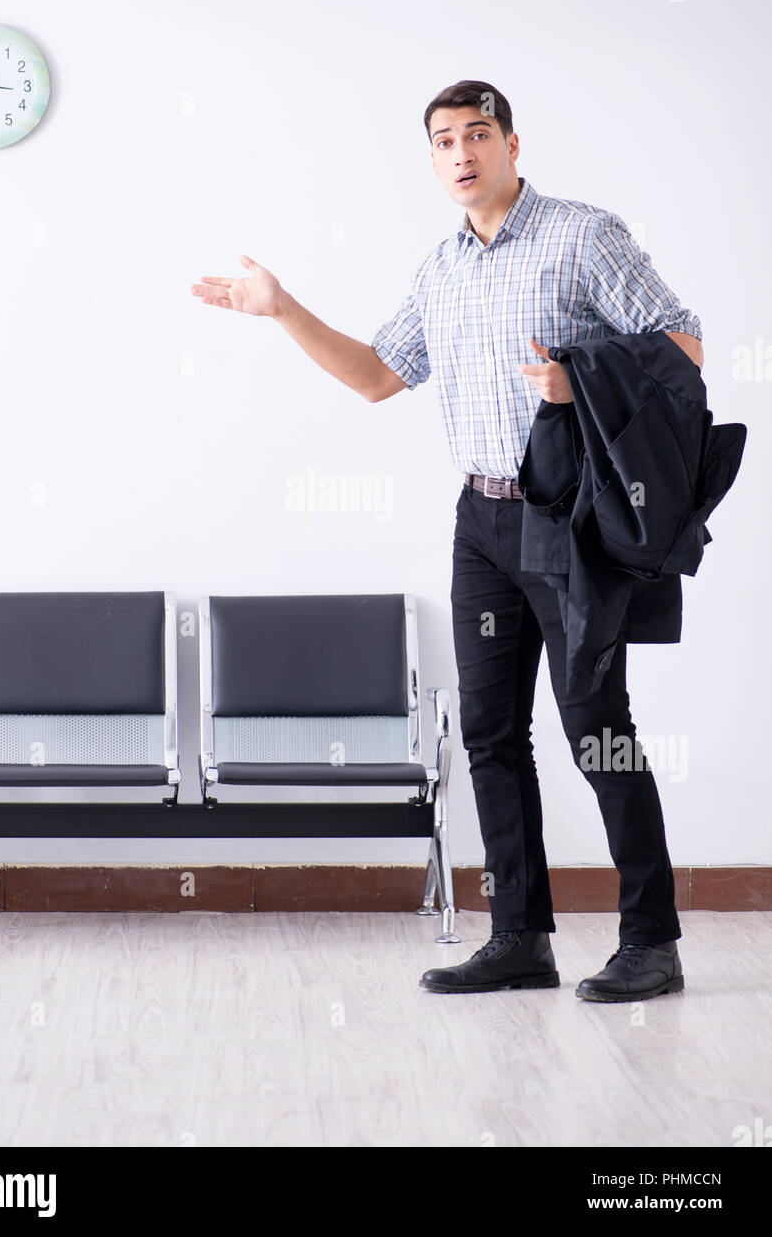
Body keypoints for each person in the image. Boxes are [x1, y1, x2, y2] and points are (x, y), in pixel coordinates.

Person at [190, 78, 703, 1004]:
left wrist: (576, 382)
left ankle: (650, 941)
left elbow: (683, 344)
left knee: (597, 732)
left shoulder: (583, 236)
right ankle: (519, 938)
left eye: (477, 133)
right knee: (490, 736)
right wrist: (282, 308)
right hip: (481, 521)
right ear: (430, 160)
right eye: (442, 140)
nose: (460, 152)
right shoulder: (439, 269)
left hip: (570, 522)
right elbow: (379, 377)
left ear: (511, 142)